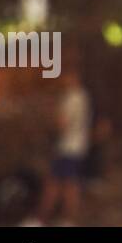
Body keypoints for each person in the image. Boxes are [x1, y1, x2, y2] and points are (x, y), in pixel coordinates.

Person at [36, 64, 90, 224]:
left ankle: (43, 219)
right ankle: (64, 219)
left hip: (69, 147)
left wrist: (51, 115)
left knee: (60, 184)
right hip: (76, 146)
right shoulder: (83, 96)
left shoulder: (72, 98)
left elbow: (62, 123)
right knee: (67, 183)